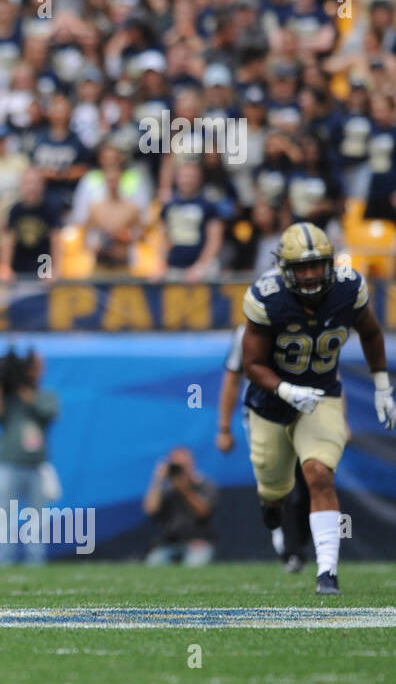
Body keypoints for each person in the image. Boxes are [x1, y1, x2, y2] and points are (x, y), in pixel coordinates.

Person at [241, 222, 395, 595]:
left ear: (329, 263)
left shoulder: (348, 288)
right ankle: (272, 508)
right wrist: (286, 389)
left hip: (324, 394)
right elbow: (252, 364)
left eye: (317, 265)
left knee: (318, 472)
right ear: (285, 269)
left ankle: (327, 573)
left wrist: (381, 385)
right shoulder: (267, 297)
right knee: (273, 488)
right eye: (301, 268)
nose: (310, 275)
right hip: (271, 401)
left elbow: (372, 333)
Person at [216, 323, 310, 571]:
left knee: (313, 476)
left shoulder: (313, 320)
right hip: (264, 414)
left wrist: (340, 417)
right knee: (281, 479)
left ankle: (297, 537)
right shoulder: (247, 331)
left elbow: (331, 373)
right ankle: (292, 551)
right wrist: (224, 428)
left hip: (307, 413)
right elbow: (232, 379)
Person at [0, 347, 59, 564]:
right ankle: (3, 559)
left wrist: (24, 388)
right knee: (4, 517)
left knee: (36, 519)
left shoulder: (45, 396)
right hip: (8, 464)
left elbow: (47, 413)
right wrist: (0, 385)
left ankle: (35, 560)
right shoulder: (9, 397)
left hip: (36, 467)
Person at [142, 446, 217, 566]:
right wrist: (158, 480)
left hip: (198, 543)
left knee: (195, 565)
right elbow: (151, 510)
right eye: (176, 466)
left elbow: (204, 511)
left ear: (191, 465)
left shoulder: (205, 485)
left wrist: (185, 490)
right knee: (154, 564)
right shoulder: (167, 490)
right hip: (168, 544)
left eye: (183, 465)